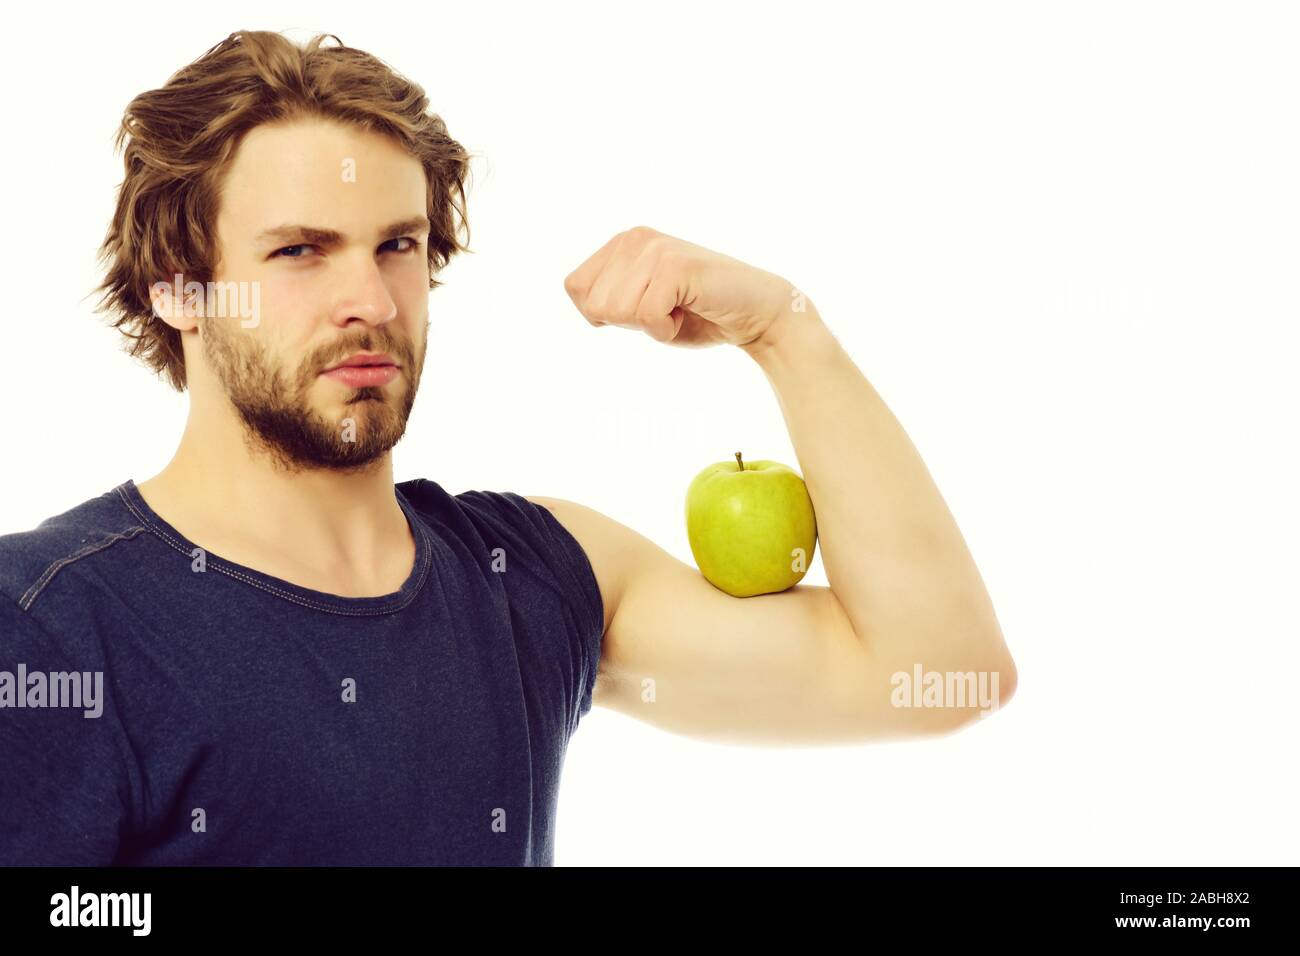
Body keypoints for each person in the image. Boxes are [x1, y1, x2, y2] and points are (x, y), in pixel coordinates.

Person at [0, 30, 1016, 866]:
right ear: (179, 289)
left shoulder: (528, 575)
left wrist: (784, 330)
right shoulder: (44, 625)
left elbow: (936, 669)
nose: (369, 301)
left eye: (397, 245)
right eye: (300, 250)